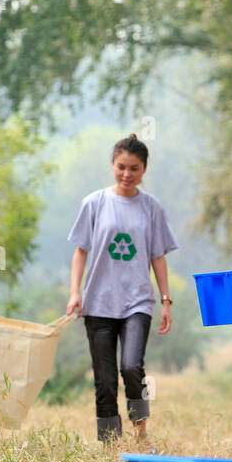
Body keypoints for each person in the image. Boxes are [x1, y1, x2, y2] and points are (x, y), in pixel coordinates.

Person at [66, 134, 178, 445]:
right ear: (112, 165)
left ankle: (140, 430)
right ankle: (109, 442)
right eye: (121, 167)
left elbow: (158, 256)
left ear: (144, 170)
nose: (127, 174)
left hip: (138, 302)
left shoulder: (152, 208)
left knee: (131, 366)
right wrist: (75, 292)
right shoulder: (94, 203)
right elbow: (80, 251)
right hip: (99, 303)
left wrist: (166, 300)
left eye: (134, 168)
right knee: (104, 380)